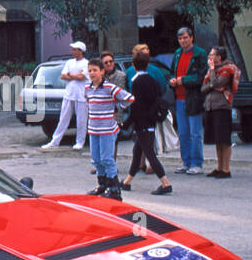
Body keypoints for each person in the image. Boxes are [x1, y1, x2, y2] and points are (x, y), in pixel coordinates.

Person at [119, 49, 173, 196]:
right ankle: (127, 181)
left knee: (149, 153)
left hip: (141, 122)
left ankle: (165, 183)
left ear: (133, 65)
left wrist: (128, 122)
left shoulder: (136, 82)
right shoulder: (152, 80)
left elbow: (136, 106)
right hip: (150, 120)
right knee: (137, 151)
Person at [83, 60, 134, 198]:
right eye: (90, 70)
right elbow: (89, 104)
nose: (92, 73)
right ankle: (102, 185)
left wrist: (116, 108)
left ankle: (114, 188)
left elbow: (129, 98)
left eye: (95, 70)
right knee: (96, 159)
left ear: (102, 72)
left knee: (107, 159)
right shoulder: (87, 89)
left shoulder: (110, 88)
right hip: (94, 129)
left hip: (107, 130)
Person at [168, 27, 209, 174]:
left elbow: (201, 77)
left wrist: (183, 80)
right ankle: (186, 162)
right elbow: (172, 72)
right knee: (183, 132)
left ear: (191, 38)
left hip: (193, 98)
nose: (183, 41)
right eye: (180, 39)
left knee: (195, 132)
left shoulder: (200, 54)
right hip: (179, 98)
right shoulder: (177, 53)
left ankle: (196, 163)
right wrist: (172, 81)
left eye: (185, 38)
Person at [42, 41, 89, 150]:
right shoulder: (69, 62)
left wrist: (71, 75)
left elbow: (82, 77)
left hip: (81, 96)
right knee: (63, 119)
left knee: (81, 120)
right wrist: (75, 75)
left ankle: (80, 142)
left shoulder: (87, 63)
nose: (72, 51)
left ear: (80, 51)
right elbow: (63, 76)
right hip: (69, 94)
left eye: (74, 49)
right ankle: (55, 141)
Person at [203, 45, 239, 178]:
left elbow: (216, 83)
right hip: (211, 106)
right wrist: (211, 83)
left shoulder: (227, 70)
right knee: (217, 139)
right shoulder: (212, 71)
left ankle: (226, 168)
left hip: (222, 107)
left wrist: (212, 72)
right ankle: (219, 167)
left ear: (219, 57)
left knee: (224, 139)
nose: (209, 57)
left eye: (212, 55)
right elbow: (204, 87)